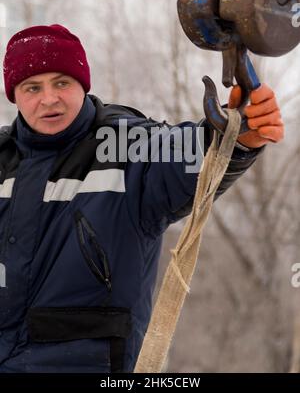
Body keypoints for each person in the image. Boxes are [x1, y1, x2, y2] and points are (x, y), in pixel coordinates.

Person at [0, 24, 283, 373]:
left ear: (82, 84)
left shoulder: (127, 146)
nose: (49, 98)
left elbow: (186, 155)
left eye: (61, 82)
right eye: (32, 87)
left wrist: (235, 134)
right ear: (14, 95)